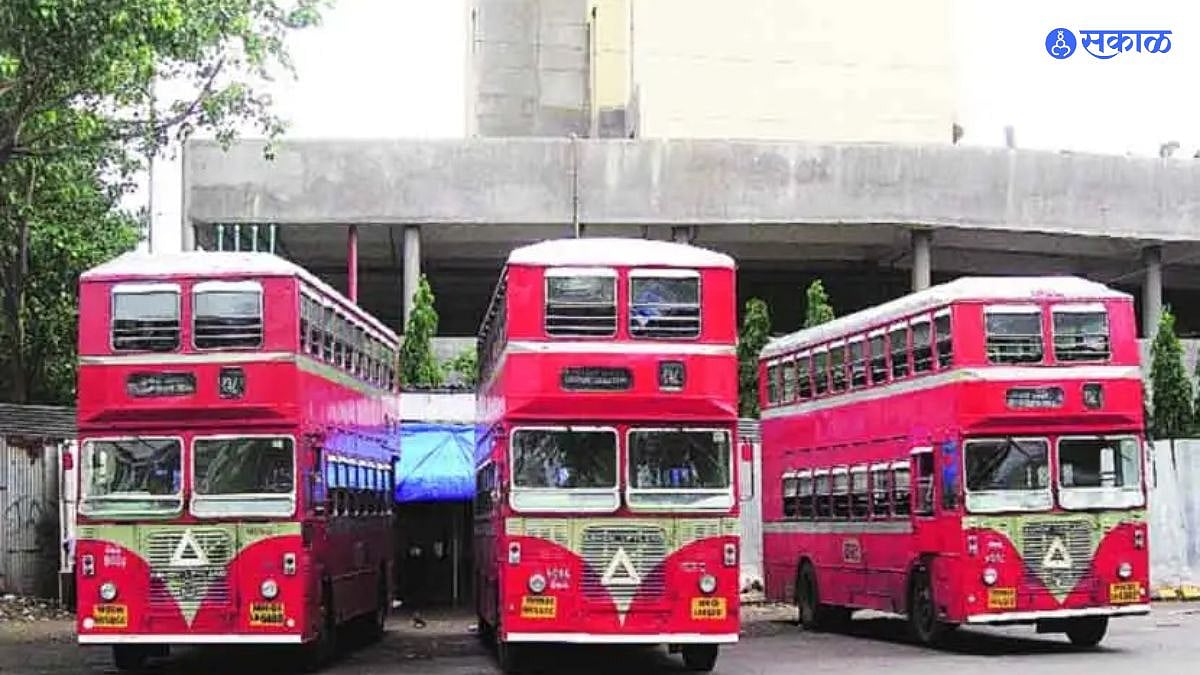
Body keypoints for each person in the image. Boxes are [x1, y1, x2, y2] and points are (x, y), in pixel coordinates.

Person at [402, 541, 428, 628]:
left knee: (418, 599)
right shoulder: (409, 559)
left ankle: (417, 616)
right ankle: (416, 616)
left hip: (418, 581)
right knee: (415, 599)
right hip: (413, 581)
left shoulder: (419, 559)